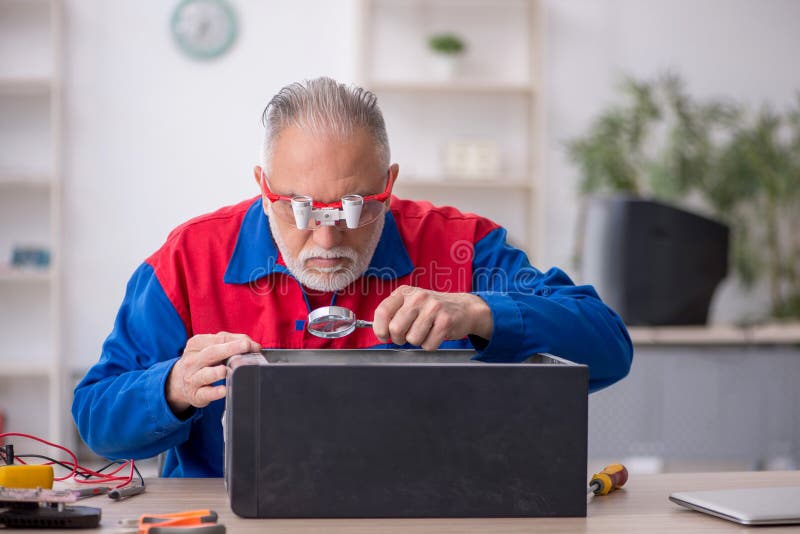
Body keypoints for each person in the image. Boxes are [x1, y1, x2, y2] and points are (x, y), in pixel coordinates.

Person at [72, 77, 633, 477]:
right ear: (262, 185)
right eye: (298, 207)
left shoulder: (461, 248)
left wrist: (478, 311)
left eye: (356, 206)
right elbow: (96, 419)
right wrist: (171, 387)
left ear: (389, 183)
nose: (326, 238)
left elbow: (608, 347)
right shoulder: (190, 260)